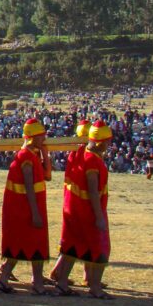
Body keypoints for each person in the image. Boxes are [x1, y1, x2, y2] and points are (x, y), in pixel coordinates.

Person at [56, 119, 114, 299]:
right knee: (100, 247)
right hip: (88, 210)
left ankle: (62, 283)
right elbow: (93, 191)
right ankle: (95, 288)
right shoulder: (92, 162)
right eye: (107, 142)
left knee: (71, 246)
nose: (109, 145)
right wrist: (99, 216)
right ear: (101, 142)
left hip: (73, 207)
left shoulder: (80, 153)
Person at [0, 118, 52, 295]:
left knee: (35, 242)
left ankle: (34, 281)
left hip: (33, 206)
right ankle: (8, 279)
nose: (44, 138)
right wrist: (35, 213)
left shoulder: (33, 154)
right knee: (24, 242)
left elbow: (47, 175)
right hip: (25, 208)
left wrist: (44, 153)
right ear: (33, 137)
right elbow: (29, 186)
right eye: (41, 136)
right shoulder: (25, 157)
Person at [49, 119, 90, 283]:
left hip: (74, 200)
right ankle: (58, 271)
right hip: (78, 202)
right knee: (75, 240)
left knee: (85, 238)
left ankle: (88, 275)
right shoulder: (82, 155)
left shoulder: (77, 153)